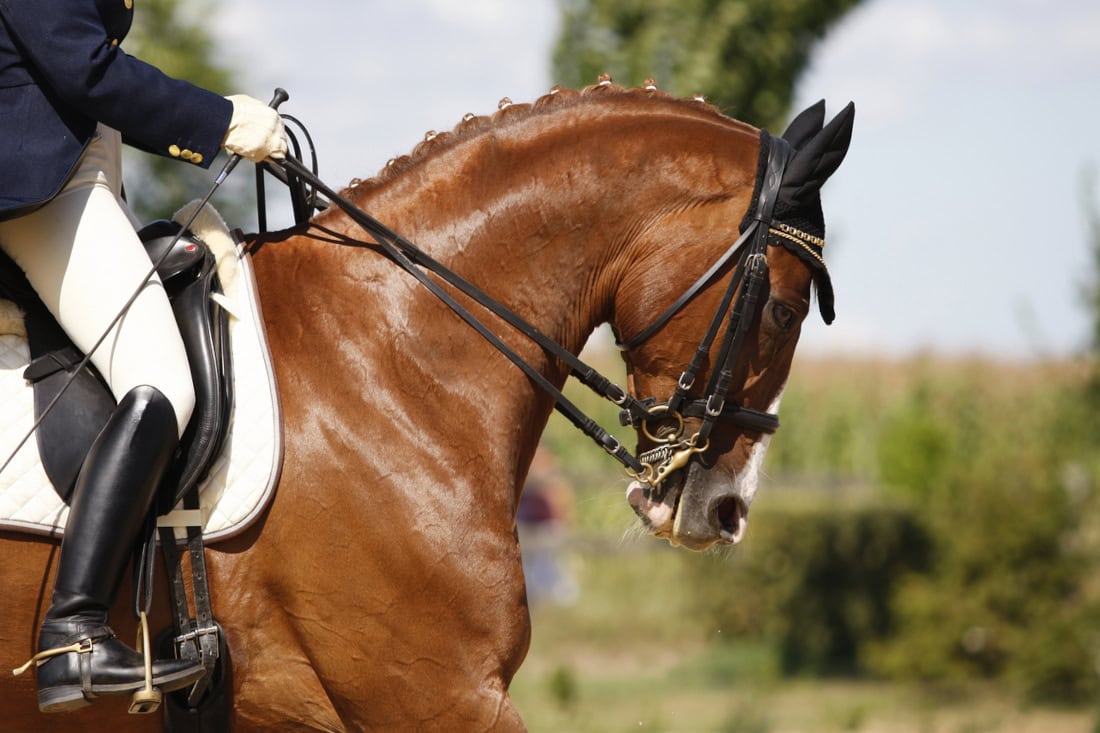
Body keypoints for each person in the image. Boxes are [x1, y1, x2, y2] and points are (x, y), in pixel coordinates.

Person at [0, 0, 286, 713]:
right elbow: (83, 66)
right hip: (35, 179)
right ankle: (75, 630)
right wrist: (219, 120)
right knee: (162, 378)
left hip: (74, 158)